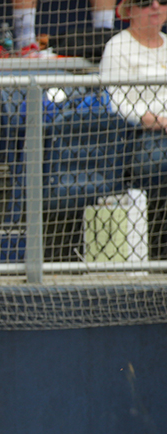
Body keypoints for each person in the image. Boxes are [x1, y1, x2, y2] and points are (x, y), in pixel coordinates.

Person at [101, 0, 167, 258]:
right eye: (144, 2)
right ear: (128, 9)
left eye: (161, 1)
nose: (154, 7)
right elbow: (113, 100)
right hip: (139, 138)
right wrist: (148, 118)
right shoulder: (117, 47)